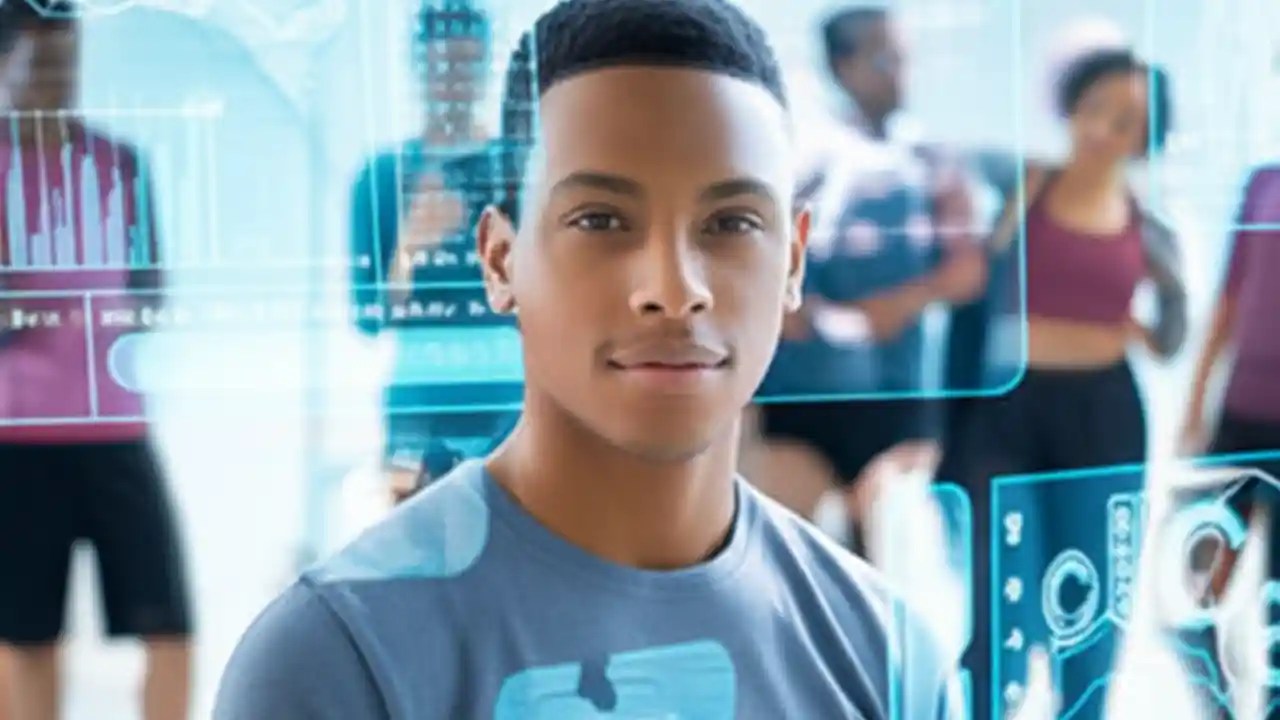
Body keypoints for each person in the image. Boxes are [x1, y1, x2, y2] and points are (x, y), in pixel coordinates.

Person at [214, 0, 961, 717]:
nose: (675, 290)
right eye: (600, 220)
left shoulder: (887, 657)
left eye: (731, 222)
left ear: (793, 261)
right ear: (500, 260)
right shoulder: (336, 661)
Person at [938, 47, 1186, 720]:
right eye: (1098, 107)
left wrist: (1153, 308)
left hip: (1104, 412)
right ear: (1072, 108)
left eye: (1128, 119)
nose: (1107, 128)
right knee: (1001, 589)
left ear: (1147, 137)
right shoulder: (1021, 188)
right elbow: (963, 267)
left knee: (1094, 592)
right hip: (1008, 406)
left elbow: (1173, 337)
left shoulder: (1148, 226)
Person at [0, 4, 193, 720]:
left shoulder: (118, 162)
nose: (59, 79)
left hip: (114, 427)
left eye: (68, 59)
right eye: (41, 62)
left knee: (168, 624)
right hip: (15, 437)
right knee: (25, 639)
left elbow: (152, 292)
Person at [749, 5, 983, 553]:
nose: (898, 72)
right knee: (792, 564)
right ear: (841, 65)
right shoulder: (796, 155)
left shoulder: (930, 160)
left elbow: (966, 271)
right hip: (802, 395)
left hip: (894, 401)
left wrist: (893, 308)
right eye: (883, 58)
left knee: (883, 573)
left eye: (903, 58)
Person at [348, 0, 514, 502]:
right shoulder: (381, 177)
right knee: (418, 558)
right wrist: (411, 247)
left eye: (465, 67)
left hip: (510, 398)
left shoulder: (518, 170)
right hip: (420, 405)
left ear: (485, 68)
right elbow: (368, 318)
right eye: (443, 67)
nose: (453, 84)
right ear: (419, 69)